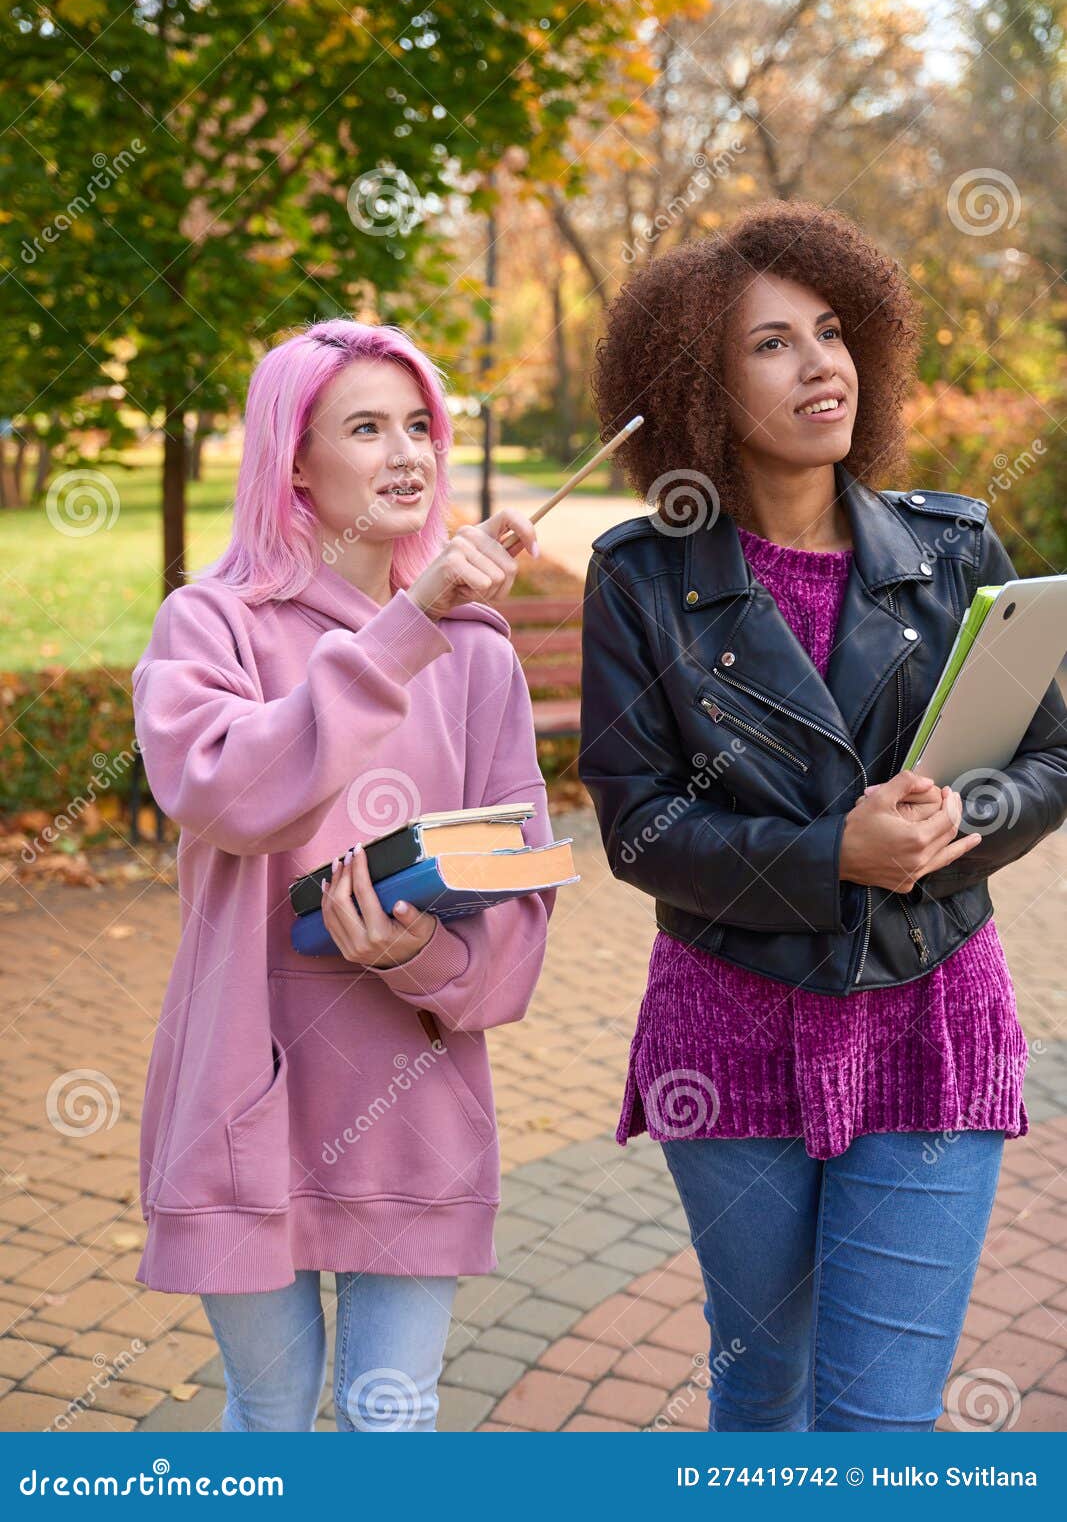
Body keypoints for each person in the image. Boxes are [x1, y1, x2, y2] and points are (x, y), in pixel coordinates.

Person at [578, 199, 1067, 1432]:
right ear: (696, 386)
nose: (820, 365)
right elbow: (637, 828)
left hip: (930, 1015)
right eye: (771, 343)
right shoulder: (640, 580)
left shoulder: (954, 551)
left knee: (879, 1422)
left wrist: (960, 815)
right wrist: (828, 853)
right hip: (727, 1036)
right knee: (761, 1384)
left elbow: (1052, 753)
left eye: (834, 331)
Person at [132, 318, 554, 1431]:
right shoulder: (206, 626)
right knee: (268, 1414)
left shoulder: (481, 658)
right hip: (245, 1095)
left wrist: (428, 952)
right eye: (367, 427)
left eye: (420, 425)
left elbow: (522, 905)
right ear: (294, 463)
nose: (408, 453)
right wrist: (407, 626)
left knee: (392, 1413)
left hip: (413, 1098)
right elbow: (229, 790)